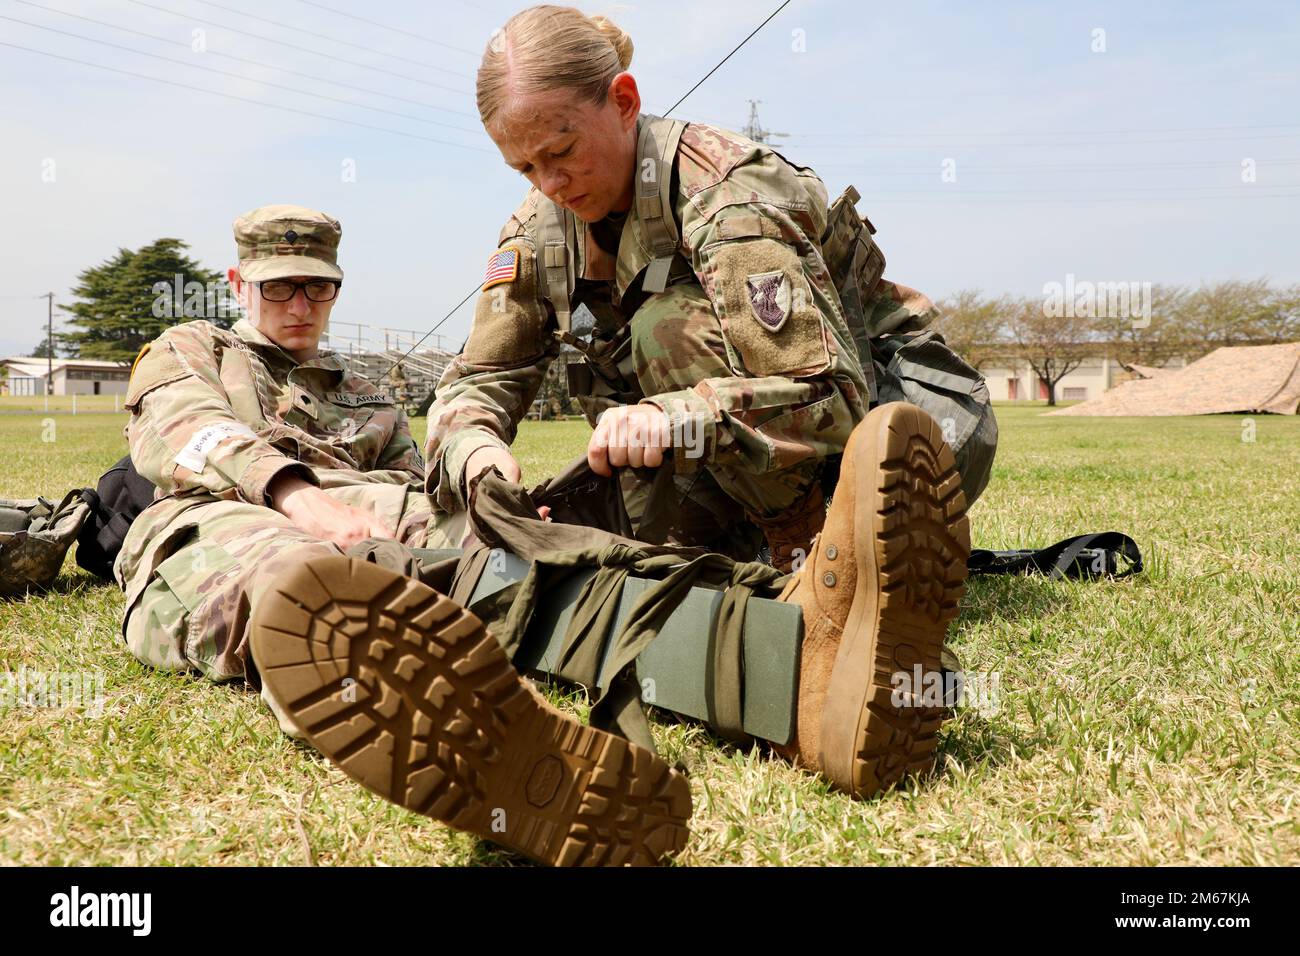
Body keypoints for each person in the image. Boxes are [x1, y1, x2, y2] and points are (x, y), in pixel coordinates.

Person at [115, 203, 972, 868]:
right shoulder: (190, 349)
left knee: (542, 570)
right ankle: (444, 725)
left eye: (318, 287)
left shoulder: (365, 391)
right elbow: (181, 432)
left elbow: (419, 482)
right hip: (219, 520)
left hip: (384, 518)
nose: (300, 304)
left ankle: (799, 669)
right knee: (305, 589)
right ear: (238, 285)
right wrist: (303, 498)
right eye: (279, 288)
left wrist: (497, 499)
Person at [423, 5, 997, 573]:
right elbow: (480, 378)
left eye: (562, 152)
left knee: (663, 328)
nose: (549, 184)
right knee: (607, 558)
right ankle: (747, 538)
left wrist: (675, 418)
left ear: (624, 102)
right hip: (730, 448)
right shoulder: (537, 232)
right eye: (524, 167)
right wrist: (476, 453)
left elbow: (830, 394)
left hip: (901, 417)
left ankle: (804, 546)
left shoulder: (728, 196)